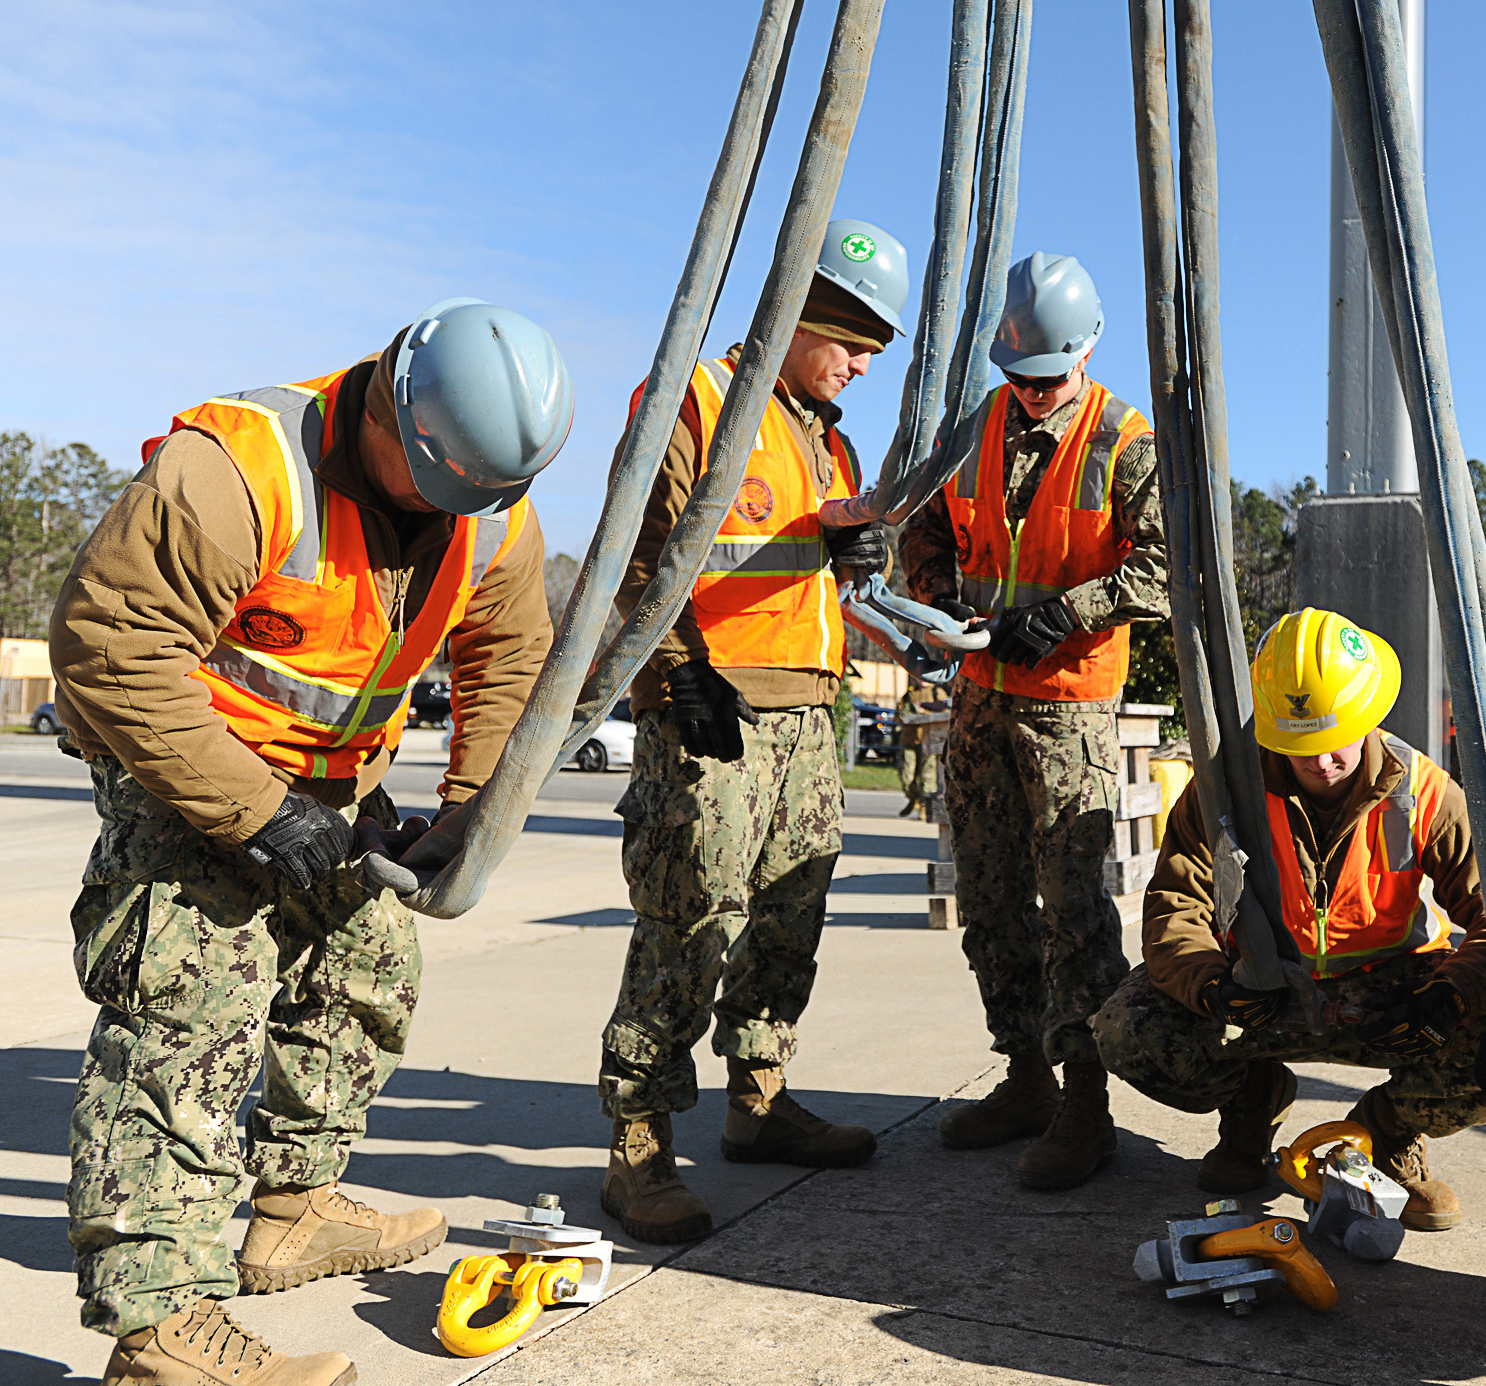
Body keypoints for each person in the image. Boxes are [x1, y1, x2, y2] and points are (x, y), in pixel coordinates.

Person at [52, 299, 572, 1386]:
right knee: (184, 1026)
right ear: (390, 406)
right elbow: (110, 649)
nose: (454, 515)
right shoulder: (237, 470)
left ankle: (291, 1210)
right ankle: (158, 1334)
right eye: (439, 488)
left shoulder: (489, 506)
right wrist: (258, 811)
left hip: (335, 791)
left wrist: (468, 807)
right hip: (188, 777)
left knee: (366, 974)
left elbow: (510, 652)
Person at [594, 219, 910, 1246]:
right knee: (690, 917)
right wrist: (679, 679)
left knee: (789, 913)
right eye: (856, 343)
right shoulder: (695, 402)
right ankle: (637, 1139)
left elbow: (804, 568)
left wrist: (862, 551)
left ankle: (759, 1100)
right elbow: (638, 558)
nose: (864, 367)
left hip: (810, 712)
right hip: (716, 711)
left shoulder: (826, 435)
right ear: (811, 314)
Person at [1095, 608, 1486, 1224]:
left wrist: (1451, 997)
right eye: (1300, 746)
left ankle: (1387, 1134)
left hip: (1393, 993)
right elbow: (1178, 901)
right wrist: (1210, 985)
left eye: (1334, 739)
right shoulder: (1224, 786)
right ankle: (1254, 1102)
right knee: (1128, 1030)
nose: (1321, 762)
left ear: (1371, 715)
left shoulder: (1425, 793)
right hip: (1261, 984)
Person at [902, 251, 1167, 1189]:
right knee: (990, 898)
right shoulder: (978, 425)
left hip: (1071, 711)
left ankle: (1086, 1105)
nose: (1036, 395)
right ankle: (1024, 1076)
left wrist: (1059, 616)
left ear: (1086, 355)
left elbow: (1171, 570)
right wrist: (935, 606)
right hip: (979, 699)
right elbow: (922, 528)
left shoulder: (1124, 441)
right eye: (1021, 379)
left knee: (1078, 913)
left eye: (1050, 378)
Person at [894, 680, 947, 820]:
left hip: (929, 740)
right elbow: (898, 714)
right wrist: (907, 714)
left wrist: (926, 712)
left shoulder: (937, 693)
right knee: (906, 776)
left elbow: (946, 711)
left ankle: (924, 807)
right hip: (909, 740)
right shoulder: (909, 694)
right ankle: (914, 798)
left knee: (927, 777)